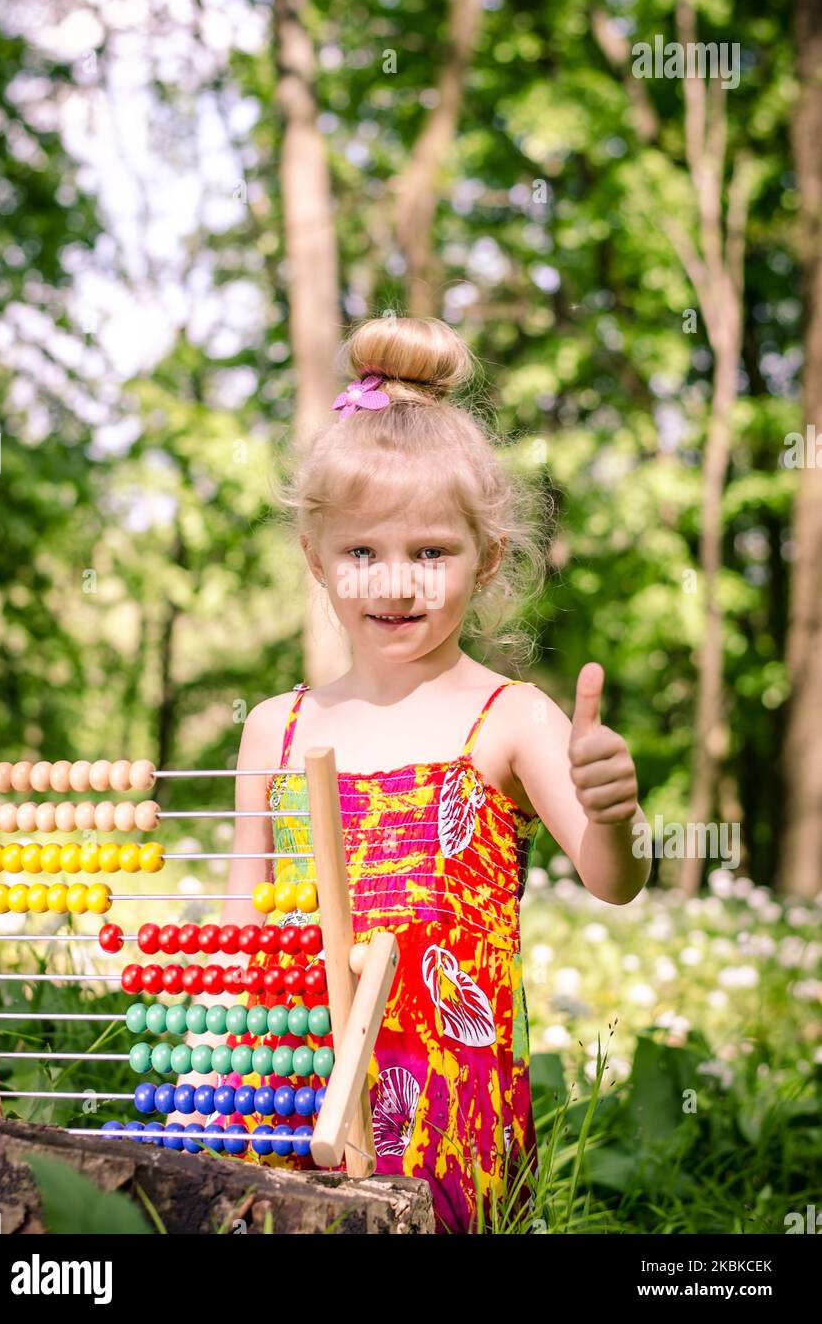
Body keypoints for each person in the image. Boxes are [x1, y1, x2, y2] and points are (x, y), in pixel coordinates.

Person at [211, 315, 650, 1234]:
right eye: (362, 552)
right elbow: (238, 939)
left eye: (430, 553)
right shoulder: (275, 730)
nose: (393, 584)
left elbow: (612, 884)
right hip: (293, 1097)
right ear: (317, 561)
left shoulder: (511, 719)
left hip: (454, 1126)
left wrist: (613, 814)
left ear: (486, 560)